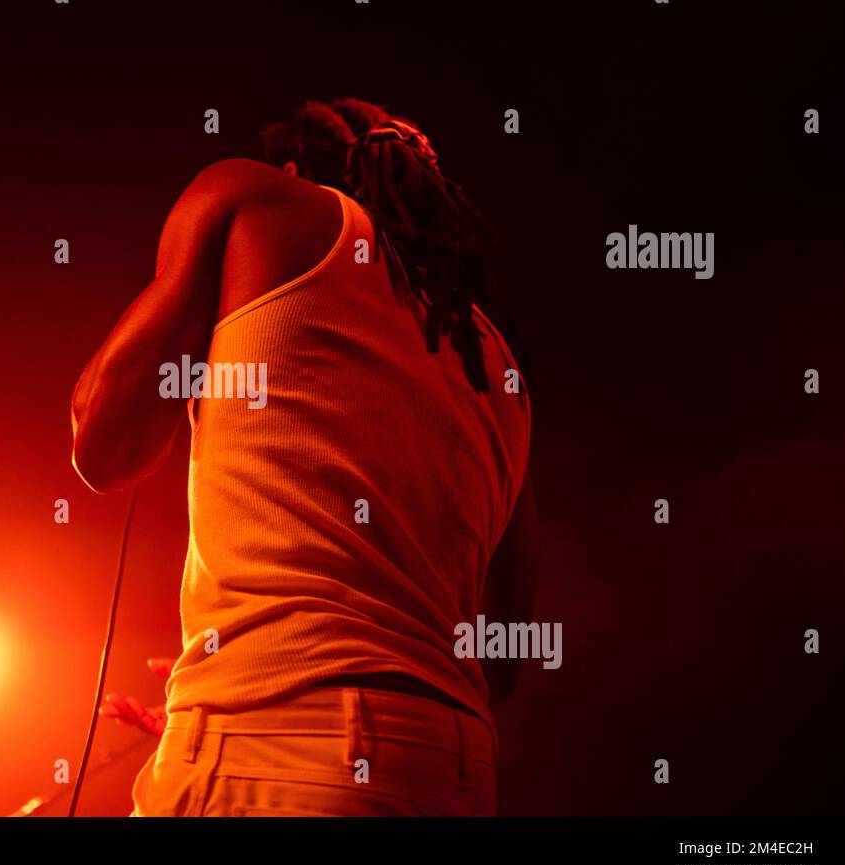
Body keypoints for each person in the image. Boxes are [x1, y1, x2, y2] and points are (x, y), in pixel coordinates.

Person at [72, 97, 536, 816]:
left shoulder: (249, 196)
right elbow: (504, 660)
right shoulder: (493, 358)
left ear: (293, 172)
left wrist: (277, 715)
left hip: (267, 743)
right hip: (454, 769)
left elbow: (103, 447)